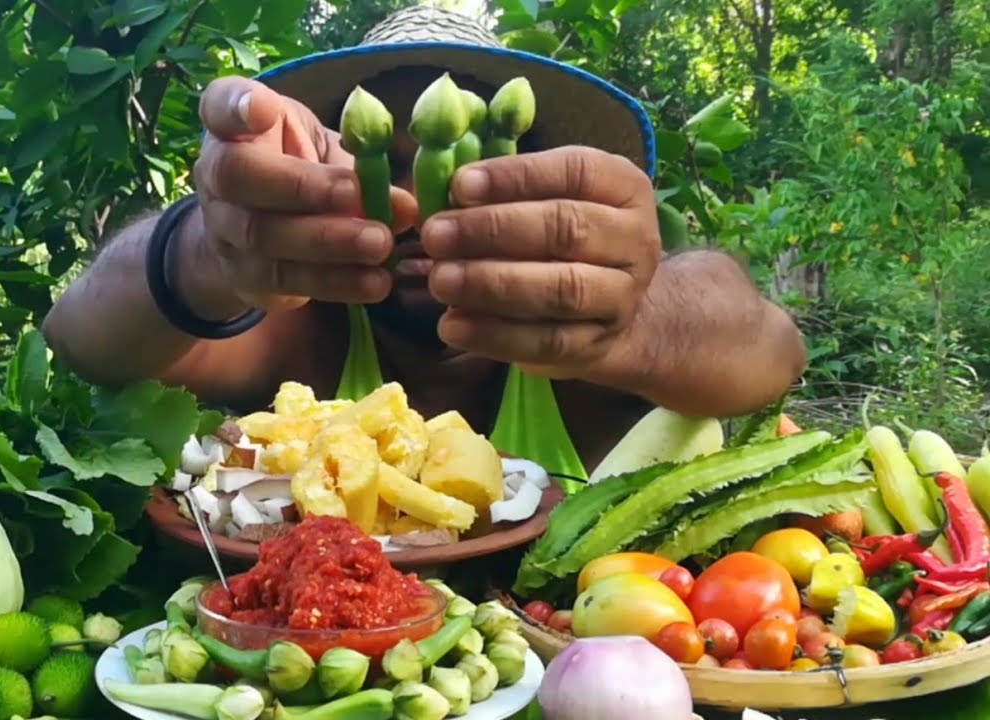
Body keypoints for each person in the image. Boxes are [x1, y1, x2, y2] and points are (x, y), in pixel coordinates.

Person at [43, 4, 807, 476]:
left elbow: (768, 352)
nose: (418, 210)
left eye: (461, 165)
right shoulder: (301, 322)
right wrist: (207, 251)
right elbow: (81, 338)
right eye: (385, 165)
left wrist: (628, 318)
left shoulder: (588, 350)